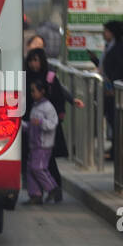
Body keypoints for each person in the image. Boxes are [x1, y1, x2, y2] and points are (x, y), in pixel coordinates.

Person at [24, 46, 72, 202]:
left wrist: (69, 103)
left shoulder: (49, 77)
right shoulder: (25, 77)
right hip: (31, 127)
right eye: (30, 61)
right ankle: (36, 194)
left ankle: (54, 189)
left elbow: (60, 94)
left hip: (47, 130)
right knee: (31, 164)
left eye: (36, 60)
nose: (33, 64)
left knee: (47, 162)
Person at [93, 20, 123, 157]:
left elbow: (121, 69)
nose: (104, 34)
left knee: (117, 120)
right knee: (113, 119)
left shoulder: (121, 48)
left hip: (115, 89)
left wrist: (113, 85)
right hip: (109, 87)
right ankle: (115, 149)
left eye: (106, 31)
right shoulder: (111, 47)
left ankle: (117, 150)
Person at [24, 77, 60, 205]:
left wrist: (40, 122)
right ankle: (35, 194)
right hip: (34, 143)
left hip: (43, 144)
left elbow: (52, 124)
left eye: (34, 91)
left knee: (38, 168)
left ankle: (52, 188)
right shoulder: (35, 106)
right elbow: (31, 125)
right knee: (30, 169)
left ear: (42, 91)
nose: (32, 93)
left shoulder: (48, 107)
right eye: (31, 91)